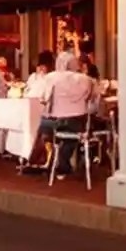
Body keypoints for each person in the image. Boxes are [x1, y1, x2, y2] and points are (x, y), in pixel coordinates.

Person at [40, 51, 99, 180]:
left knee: (43, 126)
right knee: (78, 130)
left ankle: (50, 161)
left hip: (52, 123)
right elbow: (94, 99)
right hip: (76, 123)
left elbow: (42, 99)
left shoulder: (49, 78)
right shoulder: (86, 79)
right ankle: (66, 163)